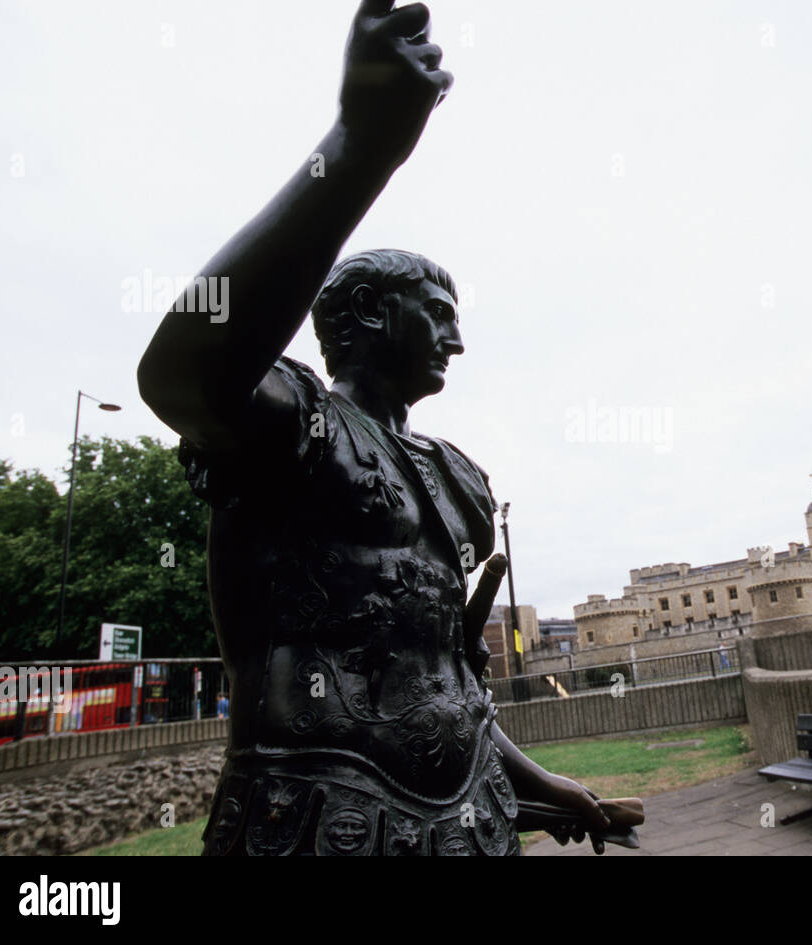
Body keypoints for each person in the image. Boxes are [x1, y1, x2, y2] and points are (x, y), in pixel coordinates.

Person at [139, 1, 609, 856]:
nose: (456, 338)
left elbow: (446, 678)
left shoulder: (456, 476)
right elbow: (182, 372)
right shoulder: (291, 426)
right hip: (311, 825)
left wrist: (542, 785)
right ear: (364, 312)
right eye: (434, 313)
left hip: (469, 829)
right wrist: (359, 149)